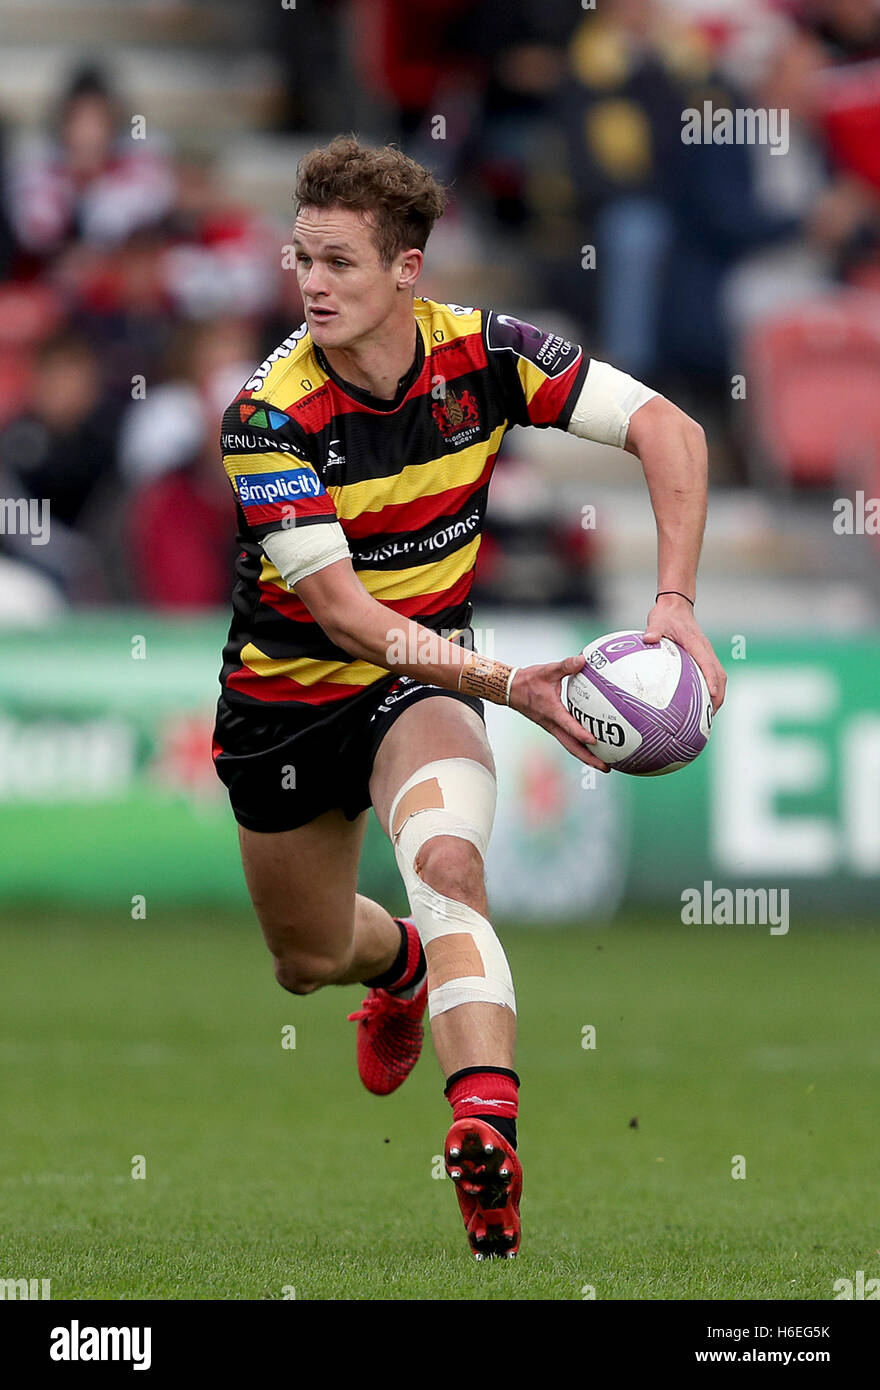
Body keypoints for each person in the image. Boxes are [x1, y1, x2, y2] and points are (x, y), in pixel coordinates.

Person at [211, 136, 726, 1259]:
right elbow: (346, 618)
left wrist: (675, 600)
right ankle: (396, 969)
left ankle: (483, 1129)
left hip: (422, 680)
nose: (312, 283)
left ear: (409, 269)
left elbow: (668, 428)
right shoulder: (267, 415)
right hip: (287, 701)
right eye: (302, 258)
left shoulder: (487, 355)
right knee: (303, 957)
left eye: (339, 262)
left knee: (451, 865)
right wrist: (515, 684)